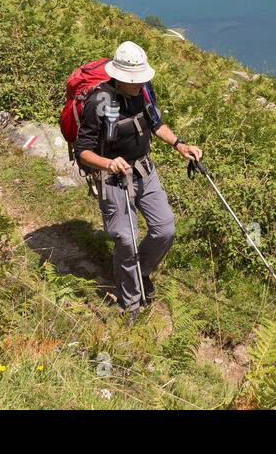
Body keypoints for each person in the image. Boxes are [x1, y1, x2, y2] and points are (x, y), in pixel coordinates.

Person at [74, 41, 201, 316]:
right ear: (118, 76)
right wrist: (108, 162)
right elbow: (82, 150)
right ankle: (130, 301)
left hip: (144, 170)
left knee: (164, 228)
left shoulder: (144, 90)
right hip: (113, 176)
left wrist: (179, 145)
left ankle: (137, 272)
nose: (138, 83)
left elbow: (155, 123)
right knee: (125, 238)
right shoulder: (99, 101)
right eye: (134, 79)